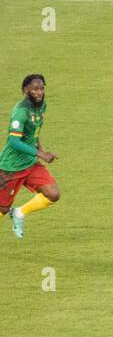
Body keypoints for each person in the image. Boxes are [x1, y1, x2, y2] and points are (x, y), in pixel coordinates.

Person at [0, 74, 61, 239]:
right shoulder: (21, 111)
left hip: (30, 163)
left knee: (53, 194)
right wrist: (40, 153)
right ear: (25, 90)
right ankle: (11, 212)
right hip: (11, 166)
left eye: (41, 88)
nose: (39, 92)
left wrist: (43, 152)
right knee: (2, 209)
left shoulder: (41, 106)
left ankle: (19, 213)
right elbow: (14, 142)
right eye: (35, 89)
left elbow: (34, 133)